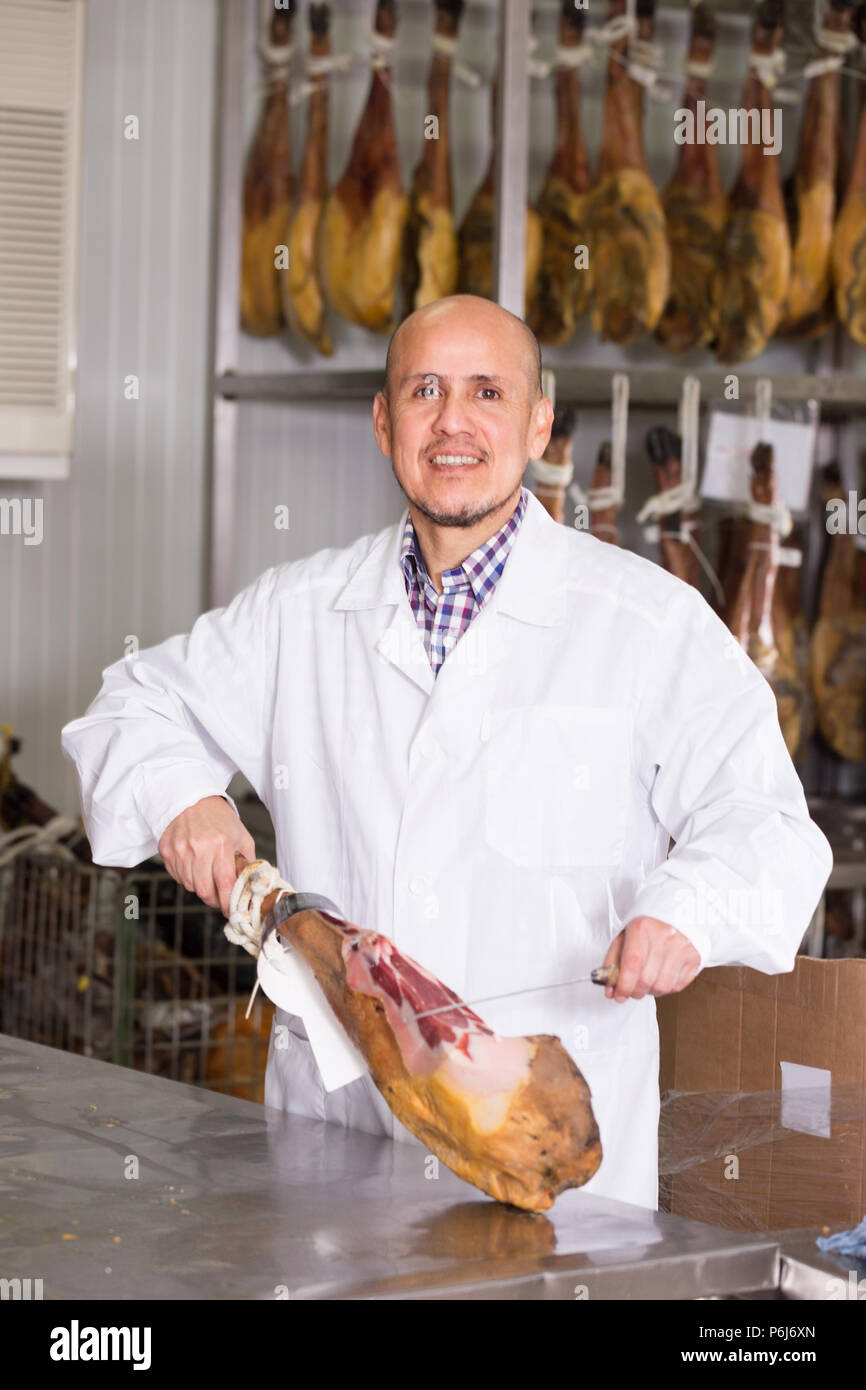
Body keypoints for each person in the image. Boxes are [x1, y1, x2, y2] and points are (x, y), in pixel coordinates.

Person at [61, 295, 833, 1210]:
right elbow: (131, 707)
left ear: (538, 421)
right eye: (424, 391)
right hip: (337, 1142)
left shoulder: (648, 622)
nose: (454, 422)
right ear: (384, 422)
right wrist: (185, 795)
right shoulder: (299, 610)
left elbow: (768, 822)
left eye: (487, 392)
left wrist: (687, 909)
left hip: (549, 1150)